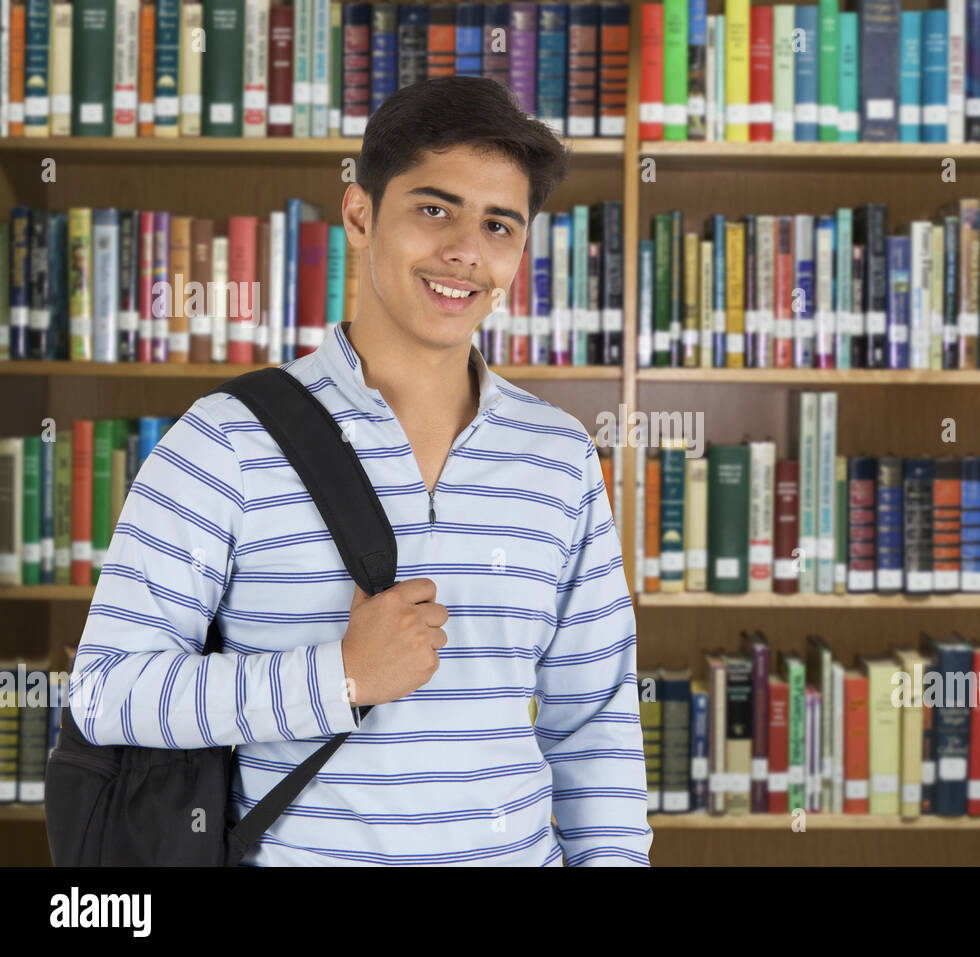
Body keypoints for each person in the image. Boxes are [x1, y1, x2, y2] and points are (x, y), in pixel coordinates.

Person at [67, 76, 652, 866]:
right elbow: (105, 692)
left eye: (500, 226)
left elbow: (596, 727)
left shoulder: (561, 456)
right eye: (434, 208)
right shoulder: (222, 441)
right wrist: (336, 675)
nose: (465, 252)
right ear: (359, 213)